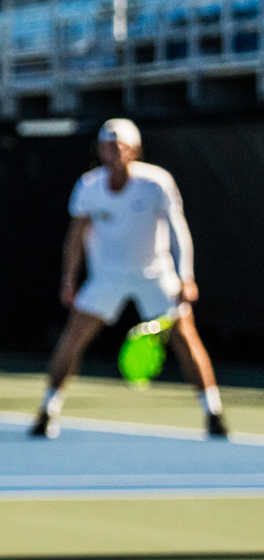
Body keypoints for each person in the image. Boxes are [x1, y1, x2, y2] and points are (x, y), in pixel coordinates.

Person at [31, 118, 228, 439]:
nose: (112, 152)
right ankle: (47, 412)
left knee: (185, 338)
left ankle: (214, 414)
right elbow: (76, 235)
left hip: (155, 274)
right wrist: (69, 277)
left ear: (134, 150)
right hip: (107, 277)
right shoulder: (89, 186)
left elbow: (179, 230)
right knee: (73, 338)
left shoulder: (156, 182)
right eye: (107, 146)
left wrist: (185, 276)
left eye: (119, 146)